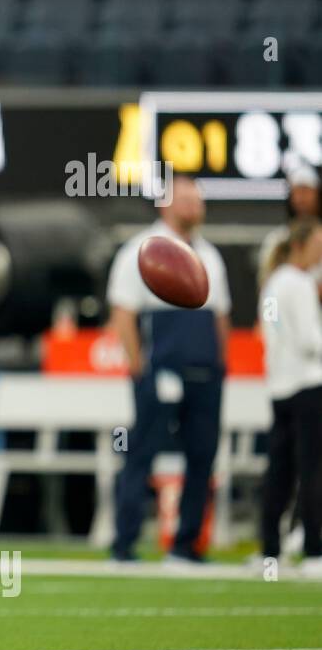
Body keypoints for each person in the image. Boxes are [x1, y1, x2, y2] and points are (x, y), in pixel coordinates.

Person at [107, 175, 232, 565]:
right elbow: (124, 311)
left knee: (202, 456)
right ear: (164, 204)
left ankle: (186, 544)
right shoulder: (140, 251)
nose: (195, 205)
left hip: (205, 371)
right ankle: (124, 544)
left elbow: (220, 315)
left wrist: (221, 363)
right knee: (141, 453)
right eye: (186, 198)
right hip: (160, 370)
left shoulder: (209, 255)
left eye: (199, 198)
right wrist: (138, 367)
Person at [257, 217, 322, 576]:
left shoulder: (274, 282)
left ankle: (271, 551)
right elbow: (310, 341)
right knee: (312, 470)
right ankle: (314, 550)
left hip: (279, 387)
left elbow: (273, 334)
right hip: (308, 386)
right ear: (300, 245)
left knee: (279, 472)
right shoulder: (298, 283)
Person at [257, 157, 320, 282]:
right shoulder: (277, 240)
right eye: (297, 192)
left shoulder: (319, 238)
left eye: (306, 192)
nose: (301, 199)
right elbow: (268, 298)